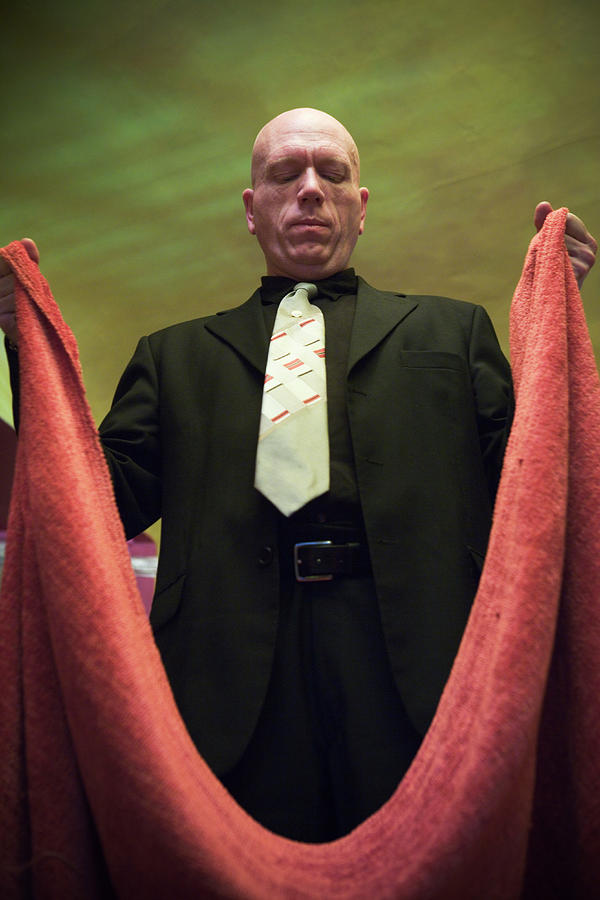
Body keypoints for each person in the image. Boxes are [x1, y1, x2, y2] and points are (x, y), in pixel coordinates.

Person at [1, 109, 597, 843]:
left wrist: (557, 319)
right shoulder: (171, 358)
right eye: (285, 175)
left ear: (361, 205)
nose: (309, 190)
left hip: (424, 671)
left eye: (331, 173)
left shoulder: (454, 331)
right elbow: (93, 506)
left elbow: (535, 485)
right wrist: (27, 349)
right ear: (253, 209)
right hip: (225, 678)